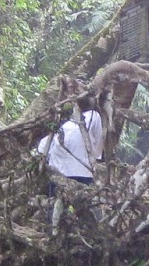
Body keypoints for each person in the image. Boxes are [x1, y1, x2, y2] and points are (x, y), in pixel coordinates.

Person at [36, 96, 104, 226]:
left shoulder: (64, 126)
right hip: (83, 171)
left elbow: (42, 148)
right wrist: (94, 158)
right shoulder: (94, 116)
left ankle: (54, 230)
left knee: (57, 204)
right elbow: (99, 142)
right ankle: (84, 230)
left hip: (59, 171)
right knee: (84, 205)